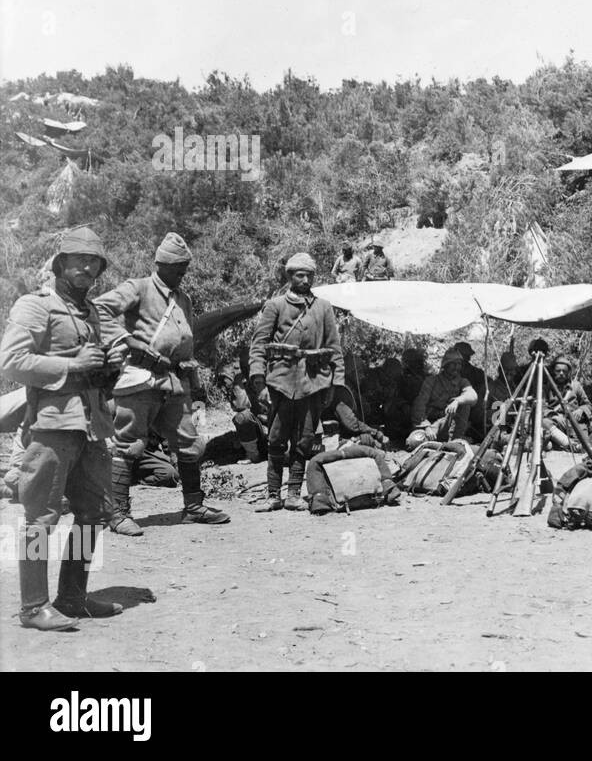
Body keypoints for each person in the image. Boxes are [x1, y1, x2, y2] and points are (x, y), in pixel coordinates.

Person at [1, 226, 125, 630]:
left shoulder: (92, 312)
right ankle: (33, 607)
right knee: (41, 518)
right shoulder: (34, 306)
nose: (88, 268)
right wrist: (73, 365)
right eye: (79, 261)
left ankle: (72, 597)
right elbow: (12, 362)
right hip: (52, 427)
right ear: (60, 264)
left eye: (94, 263)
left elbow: (92, 368)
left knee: (94, 513)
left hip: (92, 426)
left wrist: (107, 369)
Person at [96, 232, 228, 535]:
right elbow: (99, 310)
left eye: (184, 267)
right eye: (177, 267)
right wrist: (128, 341)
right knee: (128, 443)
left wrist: (192, 381)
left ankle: (193, 506)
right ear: (160, 264)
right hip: (141, 379)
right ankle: (118, 514)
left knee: (189, 443)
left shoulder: (184, 300)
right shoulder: (138, 288)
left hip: (175, 381)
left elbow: (186, 343)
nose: (182, 272)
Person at [248, 252, 346, 511]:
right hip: (280, 382)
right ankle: (273, 495)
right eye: (300, 275)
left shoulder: (323, 307)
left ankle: (293, 494)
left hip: (313, 383)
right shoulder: (275, 306)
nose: (305, 280)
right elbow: (258, 345)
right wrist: (259, 383)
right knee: (276, 440)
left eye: (309, 275)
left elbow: (334, 348)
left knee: (304, 441)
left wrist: (335, 384)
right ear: (289, 276)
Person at [410, 349, 478, 445]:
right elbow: (419, 405)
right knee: (414, 441)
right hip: (431, 424)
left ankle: (455, 440)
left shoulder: (462, 382)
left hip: (449, 424)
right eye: (453, 364)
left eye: (459, 364)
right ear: (445, 364)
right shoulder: (431, 381)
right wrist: (426, 427)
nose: (456, 367)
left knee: (465, 404)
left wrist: (457, 401)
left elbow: (473, 396)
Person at [542, 355, 592, 450]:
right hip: (556, 423)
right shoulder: (546, 387)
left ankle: (564, 444)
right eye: (558, 371)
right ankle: (571, 445)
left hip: (574, 423)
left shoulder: (576, 386)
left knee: (585, 441)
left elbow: (588, 405)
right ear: (553, 371)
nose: (561, 373)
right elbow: (542, 407)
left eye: (564, 371)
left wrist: (581, 410)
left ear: (568, 373)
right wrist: (554, 416)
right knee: (544, 423)